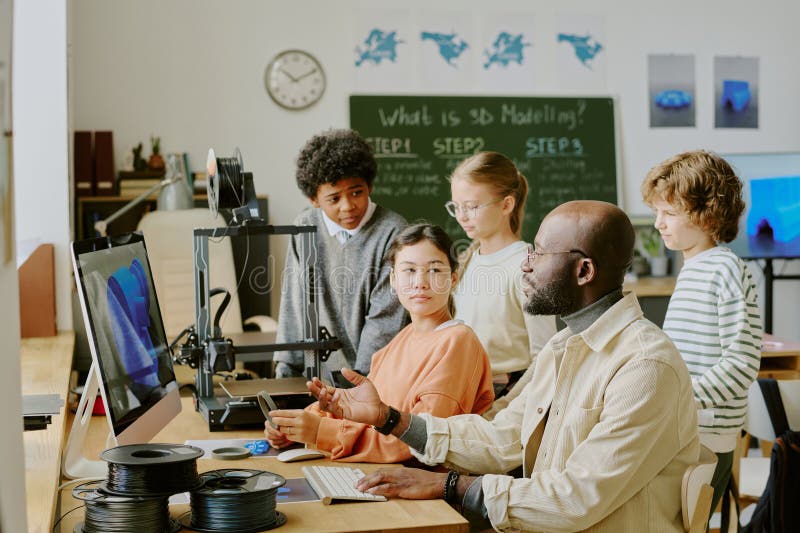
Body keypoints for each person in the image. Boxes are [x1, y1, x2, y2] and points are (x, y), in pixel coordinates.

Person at [306, 200, 700, 532]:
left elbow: (576, 498)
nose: (524, 266)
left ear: (584, 271)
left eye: (539, 253)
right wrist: (391, 419)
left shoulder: (645, 367)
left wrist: (450, 486)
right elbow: (503, 438)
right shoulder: (563, 347)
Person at [266, 224, 494, 463]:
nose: (421, 282)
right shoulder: (398, 342)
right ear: (393, 280)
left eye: (435, 270)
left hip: (420, 486)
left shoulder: (457, 343)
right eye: (409, 270)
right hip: (377, 473)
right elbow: (365, 416)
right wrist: (298, 423)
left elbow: (419, 442)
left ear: (454, 279)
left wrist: (320, 431)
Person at [642, 150, 762, 516]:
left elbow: (741, 363)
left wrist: (684, 400)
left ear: (708, 215)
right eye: (657, 213)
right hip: (686, 427)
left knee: (688, 521)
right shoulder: (695, 267)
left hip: (706, 433)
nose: (659, 224)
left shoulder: (723, 268)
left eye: (670, 214)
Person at [273, 129, 408, 380]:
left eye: (356, 192)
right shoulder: (304, 227)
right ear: (314, 198)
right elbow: (293, 302)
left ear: (369, 185)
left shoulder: (393, 232)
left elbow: (385, 321)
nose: (348, 206)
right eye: (334, 198)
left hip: (374, 381)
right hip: (317, 380)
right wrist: (286, 370)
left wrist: (358, 384)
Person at [447, 152, 556, 407]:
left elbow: (545, 355)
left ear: (506, 205)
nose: (462, 216)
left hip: (505, 401)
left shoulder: (528, 267)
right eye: (456, 207)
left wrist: (505, 408)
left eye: (472, 207)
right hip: (463, 394)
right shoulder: (466, 261)